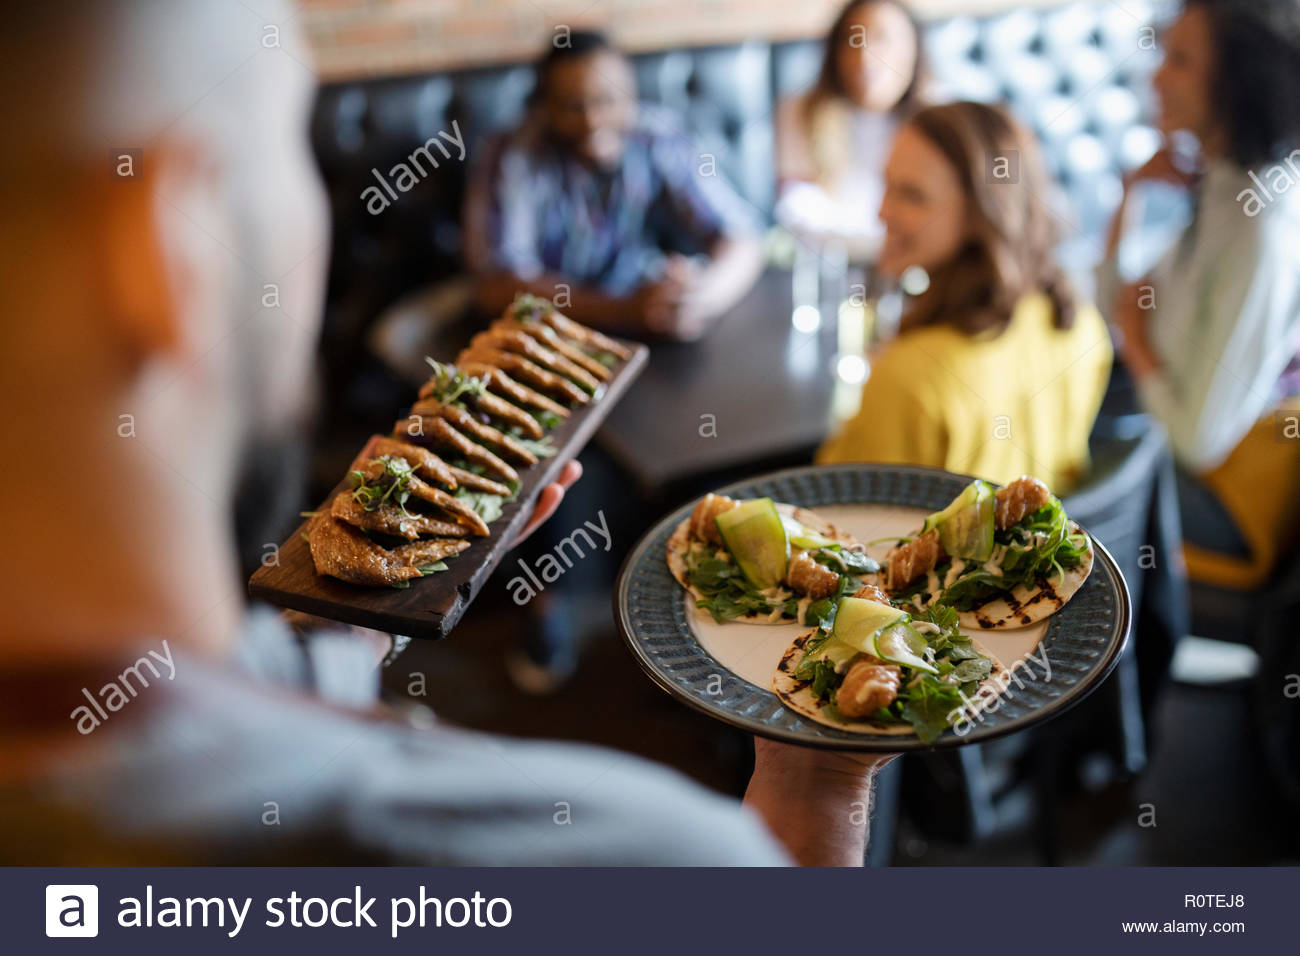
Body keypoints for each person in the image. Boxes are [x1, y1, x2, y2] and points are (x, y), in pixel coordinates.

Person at [0, 0, 892, 868]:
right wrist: (818, 786)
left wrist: (359, 629)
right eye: (290, 150)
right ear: (167, 255)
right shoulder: (659, 856)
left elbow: (235, 686)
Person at [1099, 0, 1300, 589]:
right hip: (1165, 434)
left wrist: (1137, 344)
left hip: (1217, 495)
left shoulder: (1254, 230)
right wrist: (1130, 196)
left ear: (1236, 83)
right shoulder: (1216, 187)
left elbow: (1199, 441)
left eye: (1181, 61)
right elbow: (1115, 299)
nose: (1157, 76)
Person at [816, 101, 1113, 492]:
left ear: (983, 212)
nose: (882, 211)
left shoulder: (908, 381)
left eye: (912, 195)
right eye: (885, 184)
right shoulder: (1083, 326)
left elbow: (838, 524)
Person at [464, 31, 763, 342]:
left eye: (607, 100)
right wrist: (622, 311)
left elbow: (741, 237)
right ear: (545, 107)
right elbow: (496, 288)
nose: (592, 120)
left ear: (631, 94)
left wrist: (697, 298)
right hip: (544, 338)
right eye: (573, 106)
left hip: (647, 332)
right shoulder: (512, 155)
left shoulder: (657, 135)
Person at [774, 0, 925, 257]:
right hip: (835, 266)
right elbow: (795, 208)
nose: (865, 57)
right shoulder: (800, 111)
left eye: (882, 38)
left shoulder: (939, 119)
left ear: (913, 50)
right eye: (852, 40)